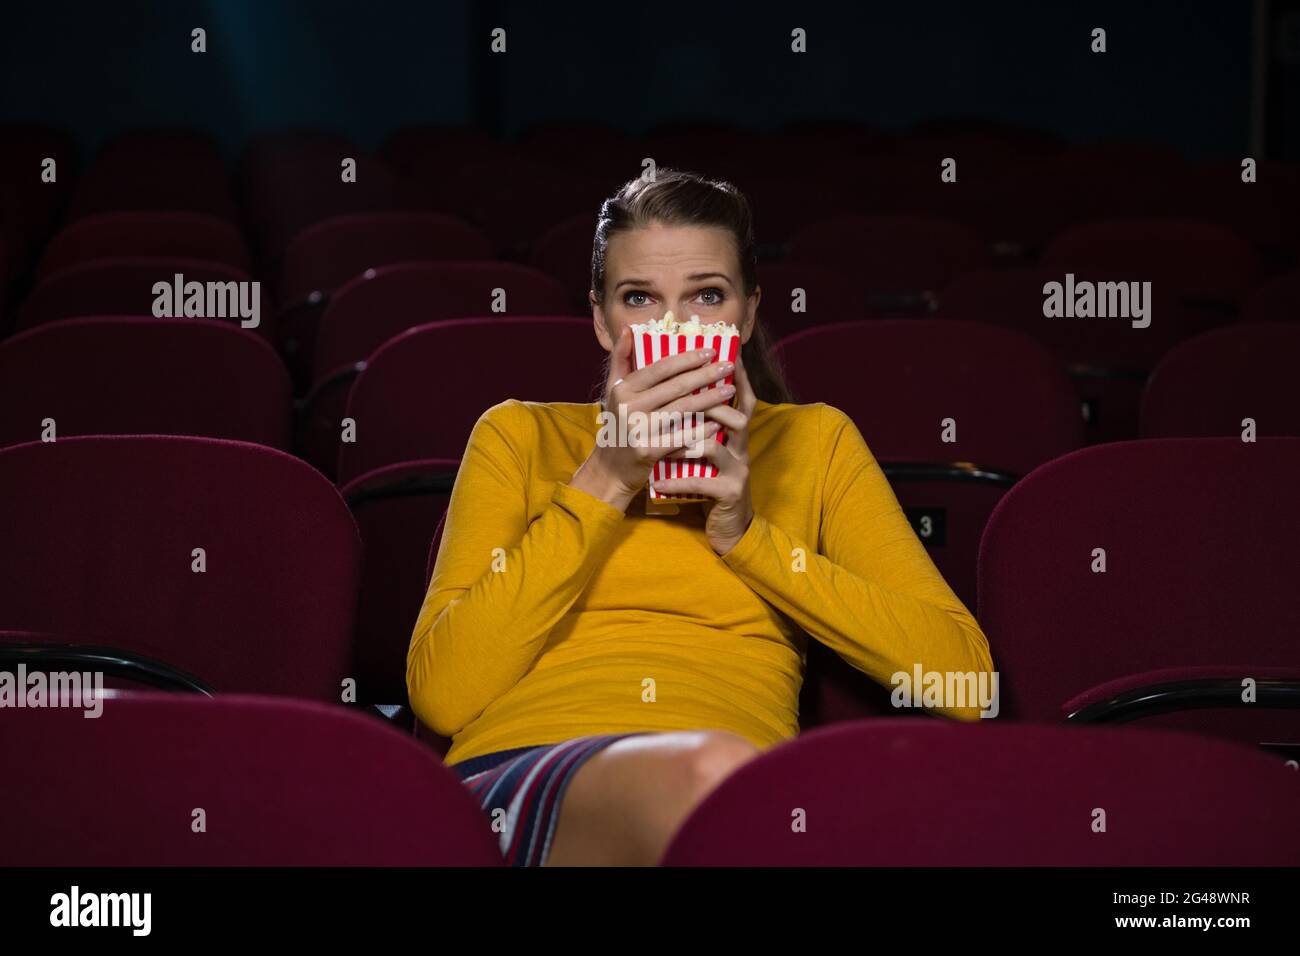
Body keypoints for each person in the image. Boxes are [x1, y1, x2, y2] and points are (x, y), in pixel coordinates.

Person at [407, 169, 995, 866]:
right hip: (528, 783)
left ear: (746, 315)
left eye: (707, 296)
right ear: (601, 320)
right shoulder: (518, 436)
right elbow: (442, 697)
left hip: (743, 800)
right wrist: (604, 480)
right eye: (640, 299)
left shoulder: (814, 442)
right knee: (712, 780)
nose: (677, 329)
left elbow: (969, 685)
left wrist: (748, 536)